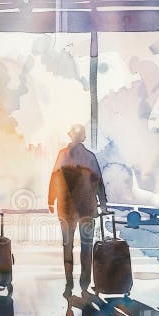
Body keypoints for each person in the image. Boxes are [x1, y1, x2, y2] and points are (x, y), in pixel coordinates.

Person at [48, 124, 107, 295]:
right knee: (86, 247)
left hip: (66, 208)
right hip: (86, 209)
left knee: (67, 246)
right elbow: (98, 181)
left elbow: (54, 177)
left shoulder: (62, 155)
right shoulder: (90, 157)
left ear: (70, 137)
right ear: (83, 138)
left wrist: (51, 200)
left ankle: (69, 284)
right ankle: (84, 284)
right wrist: (103, 203)